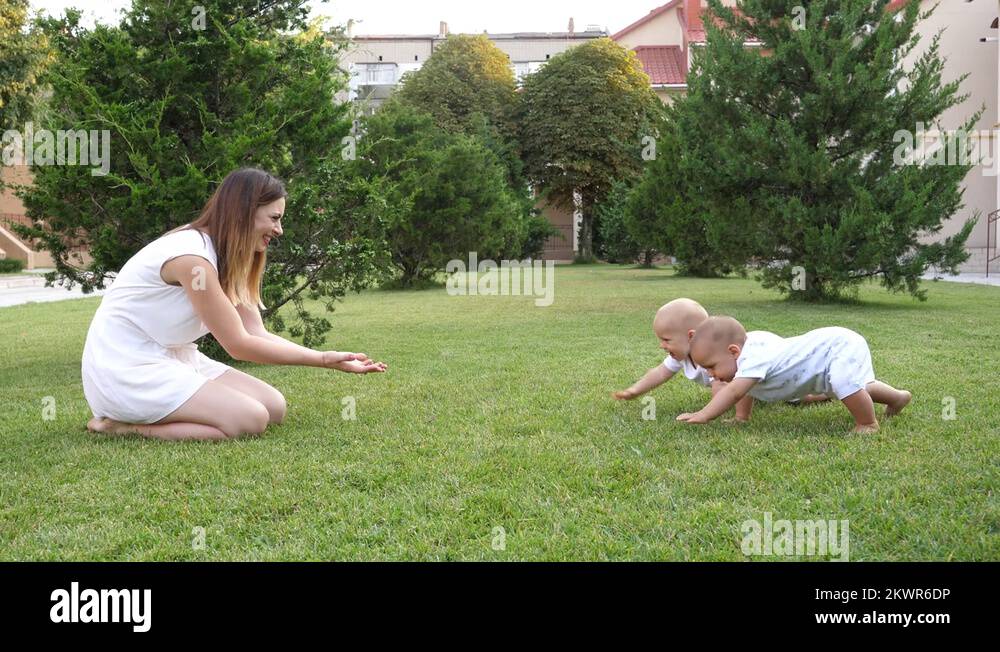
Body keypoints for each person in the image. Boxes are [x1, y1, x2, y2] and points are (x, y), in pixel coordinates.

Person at [82, 168, 386, 441]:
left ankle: (150, 414)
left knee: (274, 407)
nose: (279, 230)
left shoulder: (230, 257)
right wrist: (321, 360)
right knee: (249, 419)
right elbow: (238, 345)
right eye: (274, 218)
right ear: (243, 212)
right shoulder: (193, 259)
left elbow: (255, 333)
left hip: (173, 357)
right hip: (125, 365)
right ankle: (122, 426)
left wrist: (327, 357)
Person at [678, 316, 911, 433]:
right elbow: (744, 391)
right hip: (822, 360)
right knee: (853, 387)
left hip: (837, 346)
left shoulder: (752, 356)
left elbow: (735, 391)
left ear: (733, 351)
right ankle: (897, 397)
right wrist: (741, 418)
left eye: (711, 366)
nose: (710, 374)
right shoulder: (743, 359)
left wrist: (704, 415)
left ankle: (867, 424)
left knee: (845, 384)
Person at [612, 298, 753, 421]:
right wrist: (635, 390)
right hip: (742, 387)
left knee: (746, 389)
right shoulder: (681, 356)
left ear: (691, 336)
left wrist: (708, 414)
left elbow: (720, 386)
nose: (662, 345)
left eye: (666, 340)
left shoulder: (711, 356)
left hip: (748, 383)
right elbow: (660, 373)